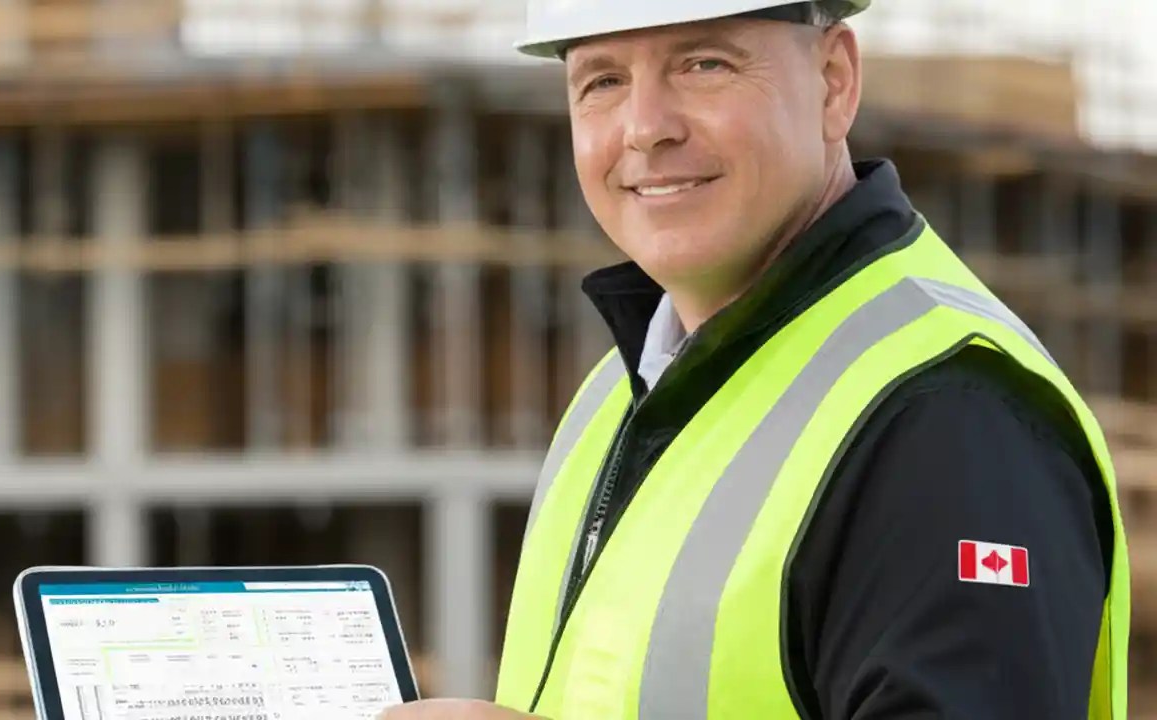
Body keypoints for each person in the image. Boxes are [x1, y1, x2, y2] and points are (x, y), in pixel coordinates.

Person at [381, 1, 1129, 718]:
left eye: (704, 64)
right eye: (603, 81)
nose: (645, 130)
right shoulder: (617, 394)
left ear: (834, 81)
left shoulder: (952, 415)